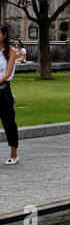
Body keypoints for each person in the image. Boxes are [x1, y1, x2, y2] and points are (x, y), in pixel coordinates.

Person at [0, 23, 19, 166]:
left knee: (9, 123)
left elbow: (7, 73)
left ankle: (14, 154)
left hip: (3, 89)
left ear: (4, 35)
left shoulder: (11, 51)